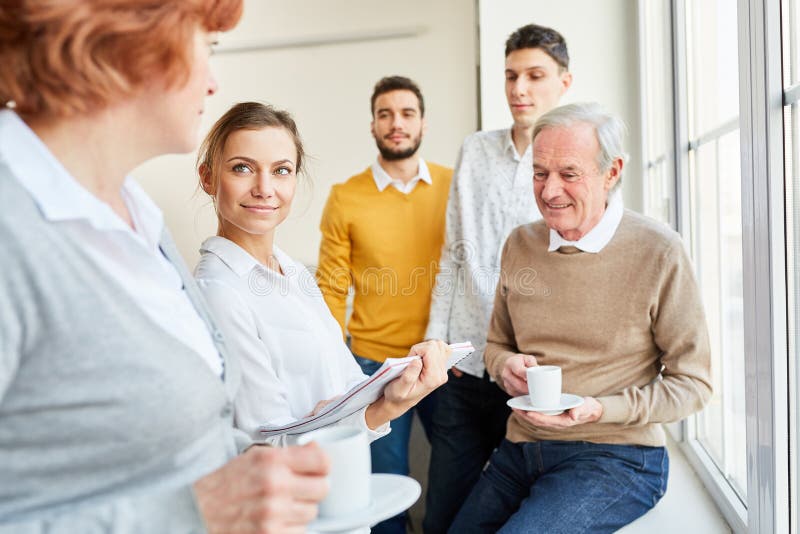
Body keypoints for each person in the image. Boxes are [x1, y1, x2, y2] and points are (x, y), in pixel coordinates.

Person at [0, 2, 329, 532]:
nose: (213, 82)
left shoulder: (133, 214)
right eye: (207, 46)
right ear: (126, 41)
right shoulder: (12, 228)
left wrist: (258, 472)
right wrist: (191, 515)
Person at [448, 103, 713, 533]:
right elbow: (497, 346)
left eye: (569, 174)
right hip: (521, 448)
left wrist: (600, 409)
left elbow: (694, 385)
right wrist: (505, 366)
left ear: (612, 172)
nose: (550, 191)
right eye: (539, 173)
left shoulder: (658, 250)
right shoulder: (520, 244)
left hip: (617, 457)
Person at [193, 101, 449, 450]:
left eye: (281, 170)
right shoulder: (218, 291)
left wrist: (397, 389)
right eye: (242, 168)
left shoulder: (293, 271)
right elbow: (268, 443)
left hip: (334, 480)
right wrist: (386, 408)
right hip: (286, 494)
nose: (265, 188)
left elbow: (347, 383)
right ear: (208, 178)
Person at [423, 23, 573, 533]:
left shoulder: (576, 166)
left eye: (535, 75)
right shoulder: (475, 151)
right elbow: (452, 253)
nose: (519, 89)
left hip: (532, 375)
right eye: (511, 76)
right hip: (463, 368)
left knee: (513, 517)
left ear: (564, 83)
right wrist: (435, 342)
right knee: (444, 516)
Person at [316, 75, 453, 534]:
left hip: (444, 360)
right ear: (373, 124)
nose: (397, 123)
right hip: (375, 363)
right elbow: (331, 287)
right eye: (385, 114)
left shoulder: (455, 187)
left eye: (407, 113)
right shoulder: (345, 196)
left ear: (423, 123)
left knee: (455, 479)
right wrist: (334, 361)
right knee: (381, 486)